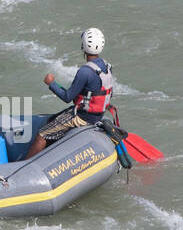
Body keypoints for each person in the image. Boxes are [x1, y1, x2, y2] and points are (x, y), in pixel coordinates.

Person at [25, 27, 115, 160]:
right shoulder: (107, 66)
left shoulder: (85, 71)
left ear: (83, 46)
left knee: (42, 134)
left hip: (83, 117)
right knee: (51, 121)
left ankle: (25, 166)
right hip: (98, 115)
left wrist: (51, 83)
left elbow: (67, 97)